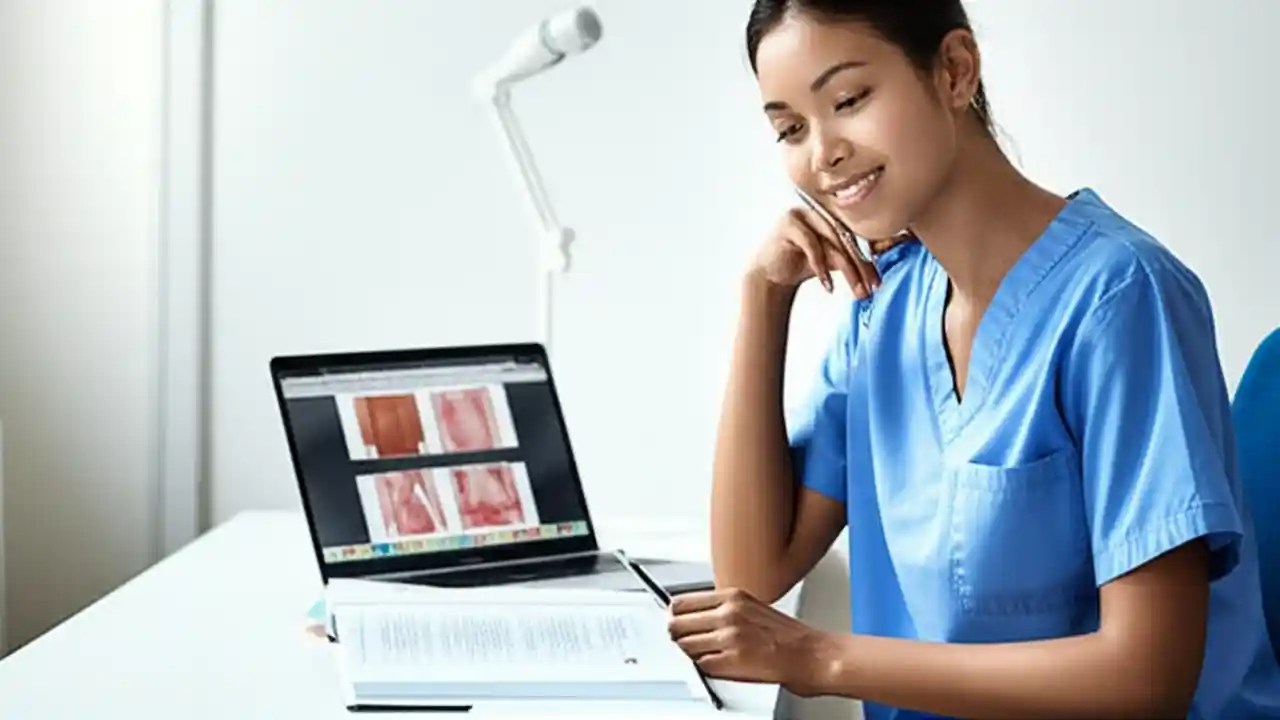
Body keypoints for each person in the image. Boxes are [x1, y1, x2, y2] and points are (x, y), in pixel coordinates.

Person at [666, 1, 1280, 718]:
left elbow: (1146, 676)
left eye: (849, 99)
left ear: (955, 71)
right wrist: (763, 298)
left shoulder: (1119, 298)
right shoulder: (887, 304)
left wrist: (818, 656)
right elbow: (754, 572)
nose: (822, 151)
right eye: (790, 128)